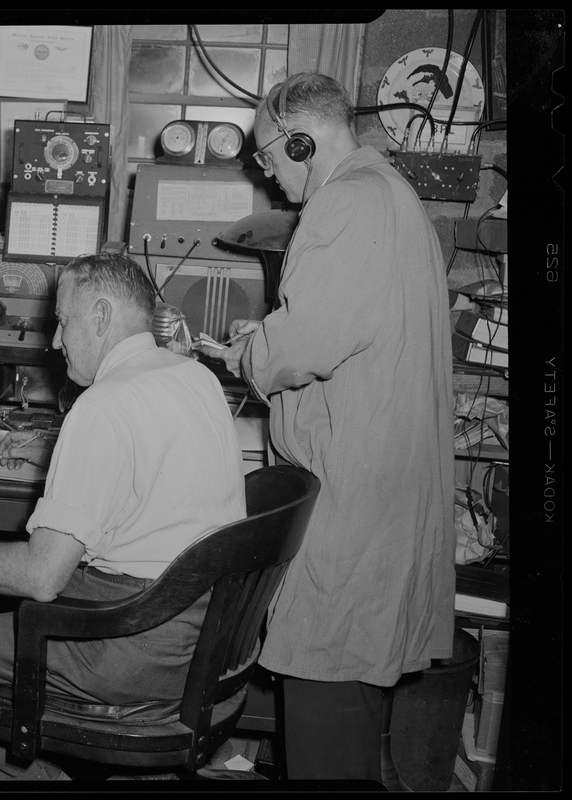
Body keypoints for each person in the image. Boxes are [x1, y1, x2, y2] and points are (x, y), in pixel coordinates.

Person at [0, 252, 247, 781]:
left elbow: (41, 578)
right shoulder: (193, 376)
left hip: (132, 647)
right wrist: (56, 451)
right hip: (209, 634)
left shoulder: (102, 406)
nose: (55, 340)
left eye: (63, 321)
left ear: (99, 317)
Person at [197, 73, 456, 782]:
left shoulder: (343, 203)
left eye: (268, 156)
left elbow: (299, 350)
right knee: (350, 701)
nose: (267, 173)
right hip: (383, 497)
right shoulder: (390, 194)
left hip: (352, 509)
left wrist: (249, 348)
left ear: (302, 139)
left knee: (327, 710)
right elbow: (346, 329)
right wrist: (275, 334)